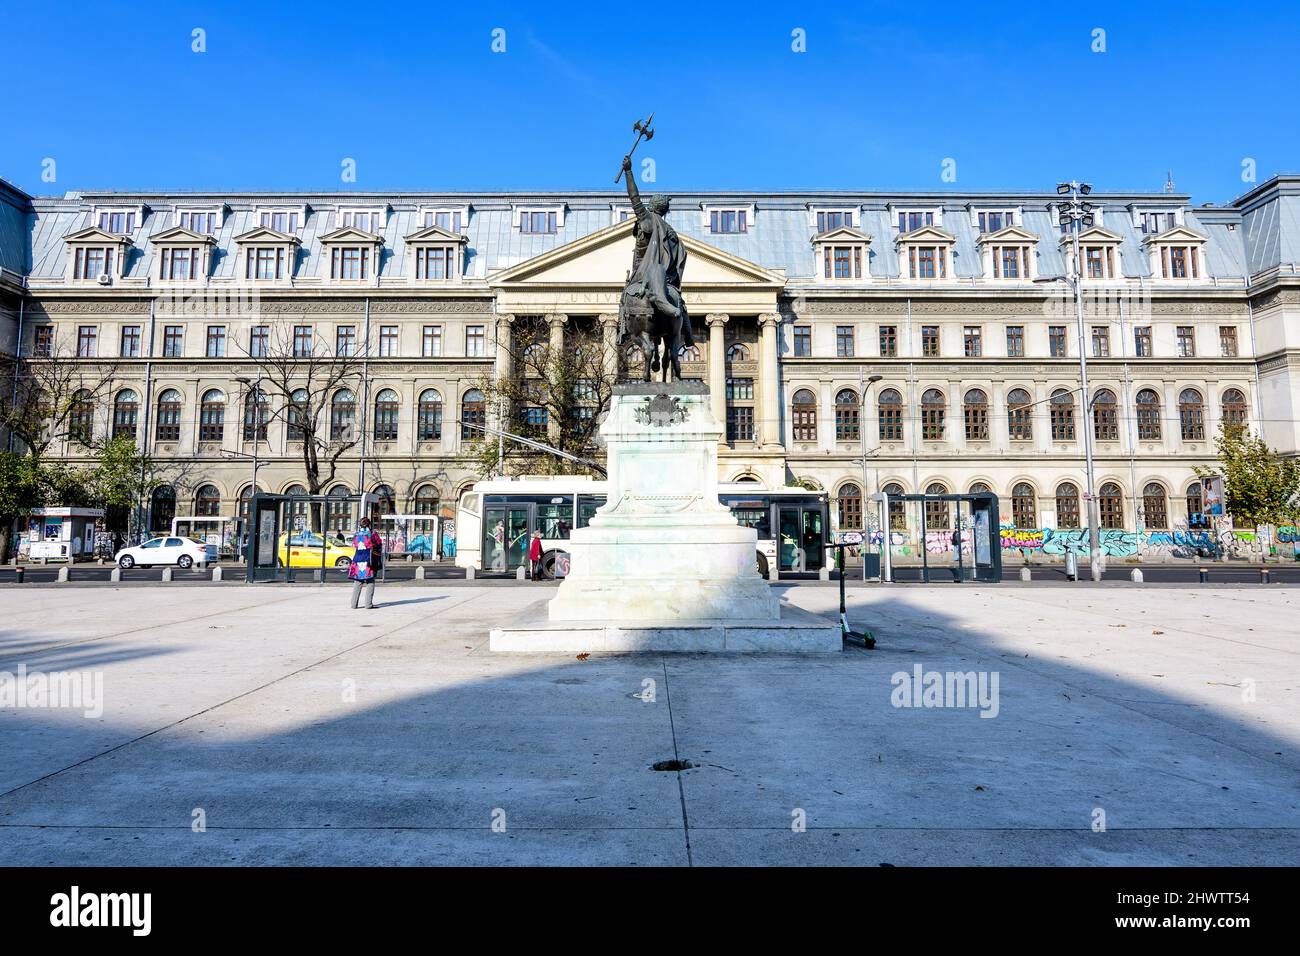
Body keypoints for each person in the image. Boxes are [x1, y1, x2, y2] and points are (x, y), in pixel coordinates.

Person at [348, 517, 378, 609]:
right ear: (369, 525)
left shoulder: (356, 535)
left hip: (357, 560)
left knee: (358, 581)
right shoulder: (371, 534)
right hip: (368, 560)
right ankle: (368, 604)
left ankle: (354, 604)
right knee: (370, 581)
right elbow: (377, 544)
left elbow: (355, 545)